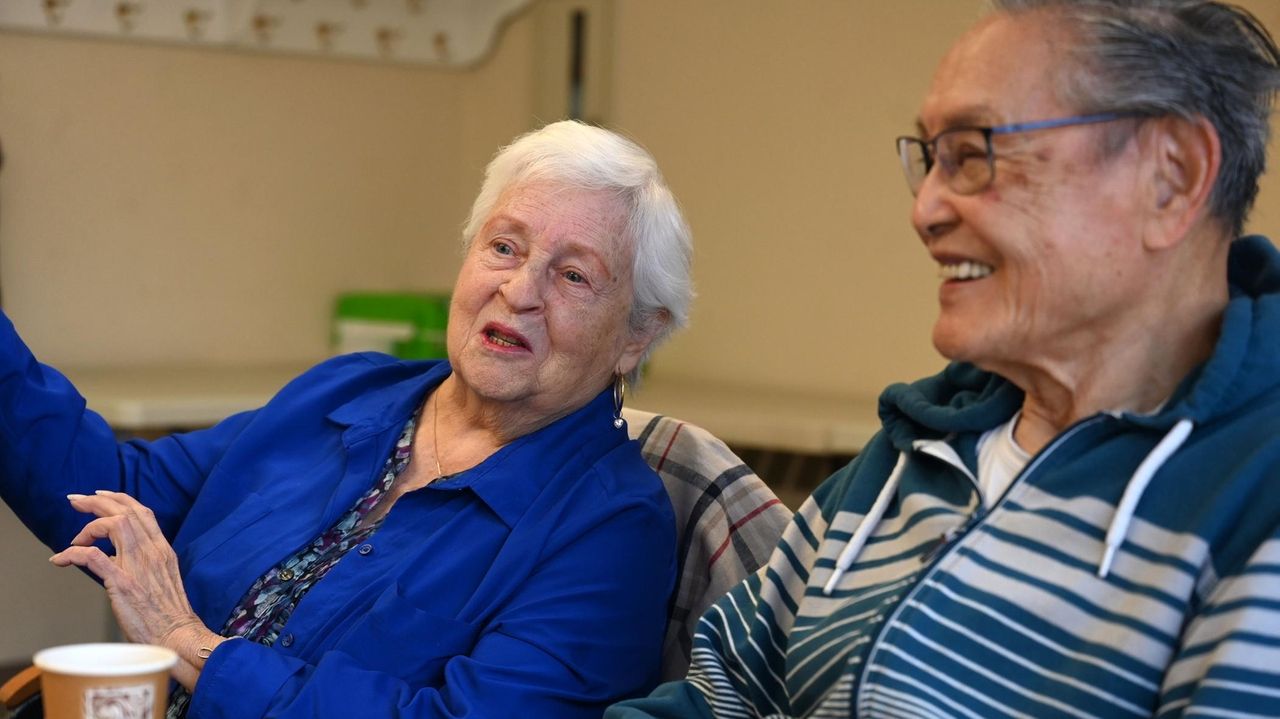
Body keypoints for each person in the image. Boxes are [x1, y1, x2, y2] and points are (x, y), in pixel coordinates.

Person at [610, 1, 1280, 717]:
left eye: (972, 154)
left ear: (1170, 178)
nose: (925, 208)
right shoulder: (917, 444)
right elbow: (721, 694)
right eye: (930, 159)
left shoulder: (1254, 493)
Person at [0, 119, 694, 717]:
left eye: (573, 276)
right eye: (504, 247)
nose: (519, 291)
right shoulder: (347, 392)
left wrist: (192, 644)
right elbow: (119, 495)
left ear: (636, 336)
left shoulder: (611, 531)